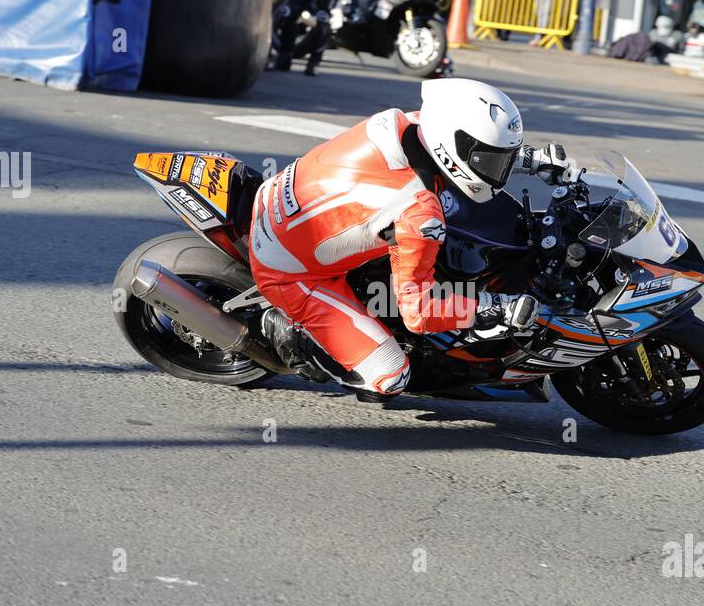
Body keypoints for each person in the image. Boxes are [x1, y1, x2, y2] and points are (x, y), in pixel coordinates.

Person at [248, 78, 578, 400]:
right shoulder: (419, 213)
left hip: (283, 198)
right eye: (495, 161)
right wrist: (500, 307)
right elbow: (419, 313)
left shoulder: (406, 123)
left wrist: (532, 160)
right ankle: (292, 335)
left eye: (505, 157)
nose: (500, 169)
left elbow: (464, 150)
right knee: (391, 377)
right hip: (291, 271)